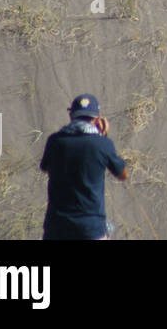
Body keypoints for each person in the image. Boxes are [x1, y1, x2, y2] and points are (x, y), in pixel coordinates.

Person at [39, 94, 129, 240]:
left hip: (57, 226)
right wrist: (103, 137)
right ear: (97, 118)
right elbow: (123, 174)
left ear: (71, 115)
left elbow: (44, 168)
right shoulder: (102, 144)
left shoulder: (55, 141)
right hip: (90, 227)